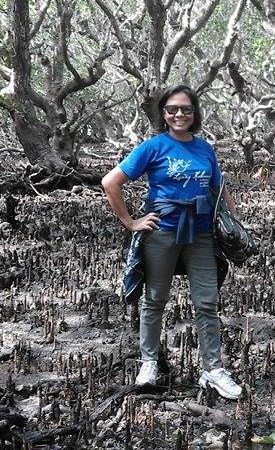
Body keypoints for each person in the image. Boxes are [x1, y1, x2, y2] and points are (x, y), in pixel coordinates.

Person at [101, 85, 243, 400]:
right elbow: (111, 182)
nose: (179, 114)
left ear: (195, 114)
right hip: (162, 231)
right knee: (154, 299)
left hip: (202, 233)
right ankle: (149, 363)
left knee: (207, 302)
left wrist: (234, 223)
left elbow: (219, 189)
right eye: (172, 109)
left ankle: (213, 369)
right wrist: (131, 222)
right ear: (163, 114)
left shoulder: (205, 149)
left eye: (186, 109)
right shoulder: (153, 147)